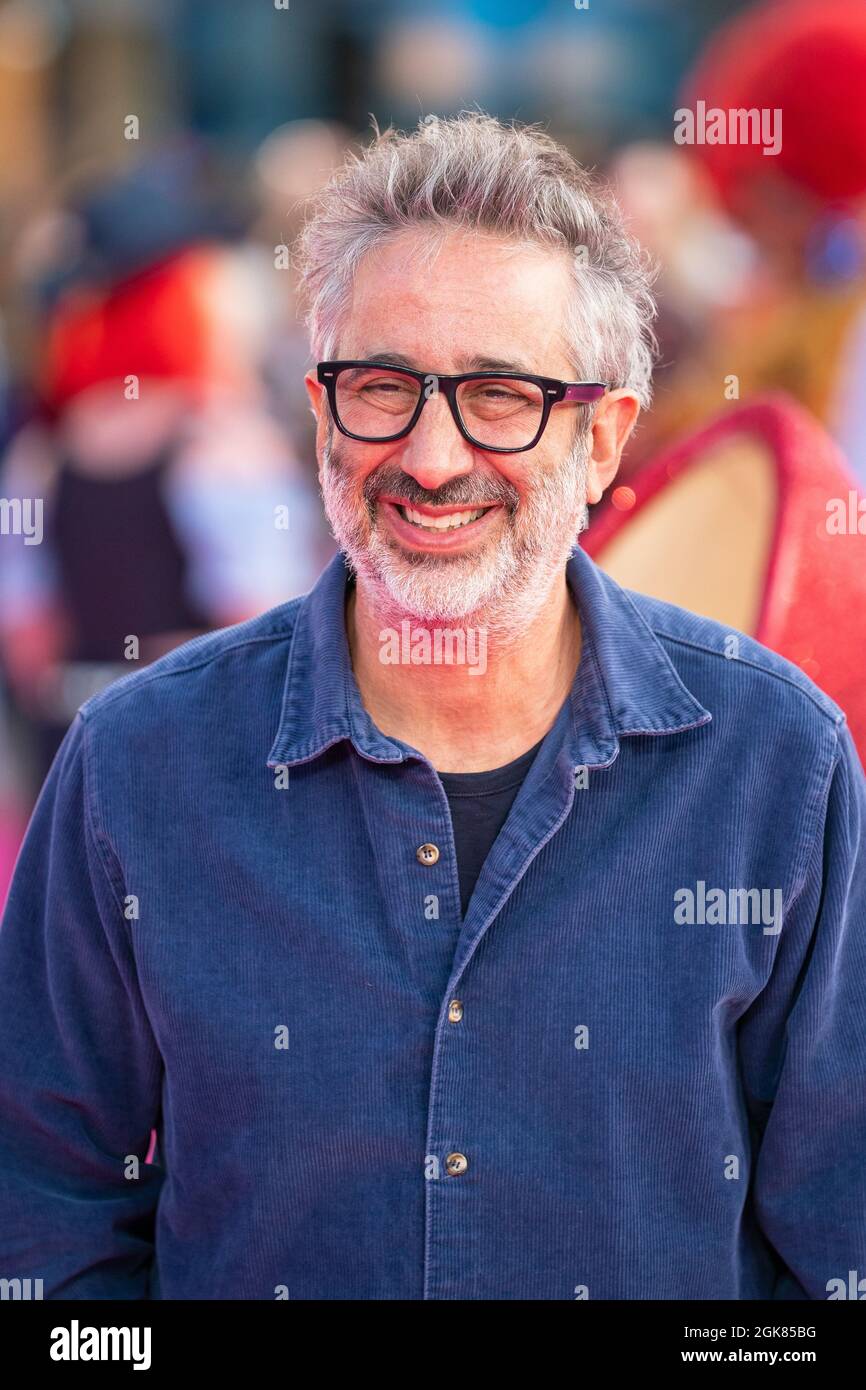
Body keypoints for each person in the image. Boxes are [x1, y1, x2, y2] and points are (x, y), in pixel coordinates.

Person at [1, 112, 864, 1301]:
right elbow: (43, 1222)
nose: (431, 453)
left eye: (501, 394)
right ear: (318, 409)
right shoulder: (133, 769)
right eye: (382, 386)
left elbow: (836, 1244)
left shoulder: (778, 764)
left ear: (605, 434)